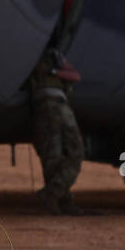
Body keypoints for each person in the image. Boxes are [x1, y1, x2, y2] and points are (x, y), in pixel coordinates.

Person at [27, 47, 84, 215]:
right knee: (58, 155)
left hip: (52, 104)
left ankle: (57, 195)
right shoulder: (32, 56)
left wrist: (53, 71)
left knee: (63, 154)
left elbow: (74, 75)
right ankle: (57, 196)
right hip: (50, 103)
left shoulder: (52, 55)